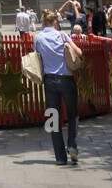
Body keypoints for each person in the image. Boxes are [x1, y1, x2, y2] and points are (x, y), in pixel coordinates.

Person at [35, 9, 82, 165]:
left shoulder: (38, 38)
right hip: (66, 79)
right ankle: (72, 145)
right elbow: (78, 51)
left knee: (54, 118)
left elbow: (37, 57)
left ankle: (60, 157)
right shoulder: (62, 35)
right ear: (55, 22)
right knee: (73, 113)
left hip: (49, 81)